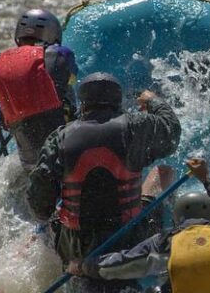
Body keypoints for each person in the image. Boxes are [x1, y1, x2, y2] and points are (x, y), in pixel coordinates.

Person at [27, 72, 181, 293]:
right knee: (162, 172)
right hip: (129, 240)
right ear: (116, 101)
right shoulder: (136, 125)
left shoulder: (59, 137)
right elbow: (172, 132)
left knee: (53, 217)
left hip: (76, 247)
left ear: (84, 104)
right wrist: (152, 101)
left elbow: (39, 200)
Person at [66, 158, 210, 293]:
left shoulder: (163, 243)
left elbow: (119, 263)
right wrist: (206, 180)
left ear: (177, 220)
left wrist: (83, 266)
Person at [0, 9, 77, 211]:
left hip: (30, 162)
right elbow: (73, 81)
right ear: (53, 34)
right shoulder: (61, 55)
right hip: (65, 154)